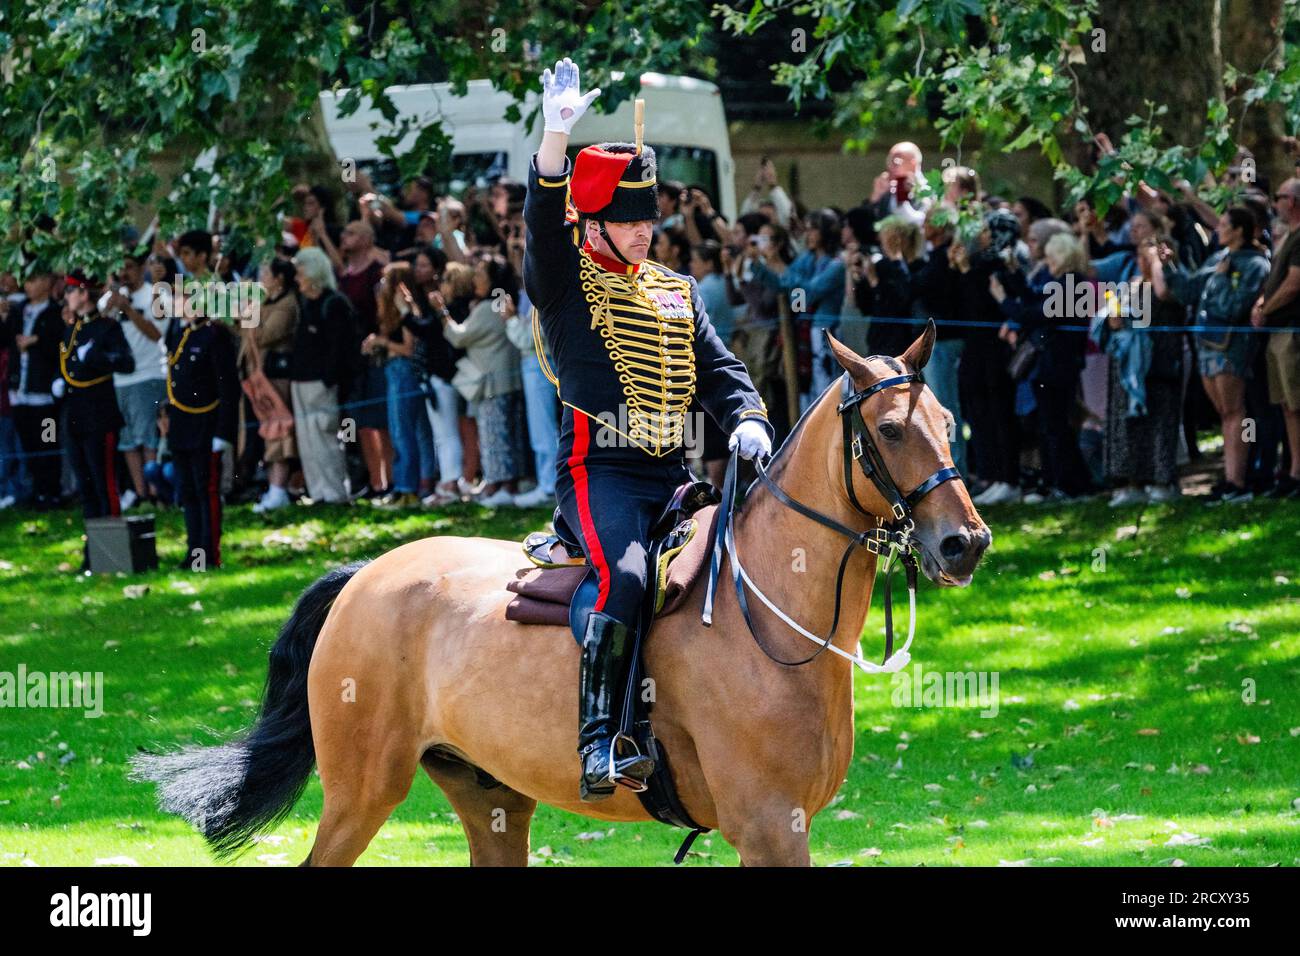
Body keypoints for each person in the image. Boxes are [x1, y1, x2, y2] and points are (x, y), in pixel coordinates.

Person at [525, 58, 773, 800]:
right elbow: (542, 223)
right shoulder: (566, 282)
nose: (645, 232)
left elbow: (720, 369)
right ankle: (601, 741)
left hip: (675, 475)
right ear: (595, 220)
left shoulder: (675, 289)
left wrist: (751, 419)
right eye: (631, 220)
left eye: (650, 219)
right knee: (629, 575)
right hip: (599, 474)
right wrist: (553, 139)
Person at [1162, 206, 1271, 503]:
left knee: (1236, 412)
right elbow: (1188, 291)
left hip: (1232, 346)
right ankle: (1230, 477)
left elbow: (1238, 307)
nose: (1218, 229)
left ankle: (1239, 480)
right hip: (1205, 345)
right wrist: (1170, 266)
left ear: (1239, 230)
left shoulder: (1256, 265)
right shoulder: (1218, 259)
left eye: (1223, 224)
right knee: (1225, 413)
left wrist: (1223, 280)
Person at [162, 233, 241, 570]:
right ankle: (193, 552)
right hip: (181, 422)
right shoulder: (182, 334)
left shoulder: (215, 335)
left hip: (206, 422)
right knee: (188, 492)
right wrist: (164, 413)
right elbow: (173, 378)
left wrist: (223, 434)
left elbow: (228, 389)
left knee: (206, 490)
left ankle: (211, 554)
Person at [59, 270, 135, 567]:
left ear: (84, 294)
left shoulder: (107, 328)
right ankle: (93, 556)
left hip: (99, 417)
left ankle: (112, 555)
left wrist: (97, 358)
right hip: (75, 417)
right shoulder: (72, 329)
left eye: (71, 291)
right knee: (86, 487)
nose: (67, 297)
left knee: (105, 486)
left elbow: (125, 362)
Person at [290, 247, 353, 504]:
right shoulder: (305, 304)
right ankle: (317, 493)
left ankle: (335, 493)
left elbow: (340, 347)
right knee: (307, 441)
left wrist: (328, 379)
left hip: (321, 383)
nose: (297, 279)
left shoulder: (334, 302)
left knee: (325, 438)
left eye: (300, 273)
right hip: (300, 382)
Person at [1252, 178, 1300, 498]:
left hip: (1292, 331)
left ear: (1294, 202)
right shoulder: (1287, 238)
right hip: (1277, 332)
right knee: (1285, 404)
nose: (1275, 203)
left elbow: (1295, 283)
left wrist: (1266, 308)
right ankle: (1294, 470)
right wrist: (1261, 303)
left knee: (1297, 403)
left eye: (1279, 197)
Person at [241, 258, 299, 514]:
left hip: (277, 377)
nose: (260, 277)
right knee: (268, 430)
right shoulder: (264, 303)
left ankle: (279, 489)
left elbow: (263, 335)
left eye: (266, 272)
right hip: (259, 376)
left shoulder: (287, 305)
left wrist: (249, 314)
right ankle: (273, 488)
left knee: (280, 430)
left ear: (279, 279)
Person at [3, 265, 63, 509]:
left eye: (34, 279)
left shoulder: (55, 313)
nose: (28, 285)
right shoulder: (19, 311)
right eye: (26, 280)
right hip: (20, 393)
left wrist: (36, 342)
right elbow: (5, 339)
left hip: (44, 395)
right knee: (28, 443)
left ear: (48, 282)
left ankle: (51, 492)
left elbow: (57, 344)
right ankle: (37, 491)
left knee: (46, 441)